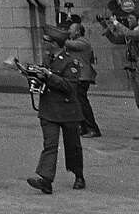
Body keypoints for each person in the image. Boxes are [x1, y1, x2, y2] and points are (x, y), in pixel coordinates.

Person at [25, 25, 85, 194]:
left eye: (47, 42)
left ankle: (78, 175)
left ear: (55, 43)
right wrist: (31, 75)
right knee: (50, 145)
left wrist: (49, 76)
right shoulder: (48, 59)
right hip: (49, 110)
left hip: (67, 111)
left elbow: (69, 87)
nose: (44, 45)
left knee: (73, 146)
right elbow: (43, 79)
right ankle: (46, 180)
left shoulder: (71, 62)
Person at [100, 8, 139, 141]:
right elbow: (117, 39)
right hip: (134, 68)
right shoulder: (133, 33)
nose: (128, 20)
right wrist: (107, 26)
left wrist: (115, 23)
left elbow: (128, 33)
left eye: (131, 18)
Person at [64, 21, 100, 138]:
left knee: (82, 104)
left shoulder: (83, 42)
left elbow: (69, 44)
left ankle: (92, 128)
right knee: (78, 104)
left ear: (78, 31)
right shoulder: (77, 42)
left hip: (82, 77)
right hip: (78, 77)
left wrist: (60, 36)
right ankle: (84, 127)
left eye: (71, 29)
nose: (69, 31)